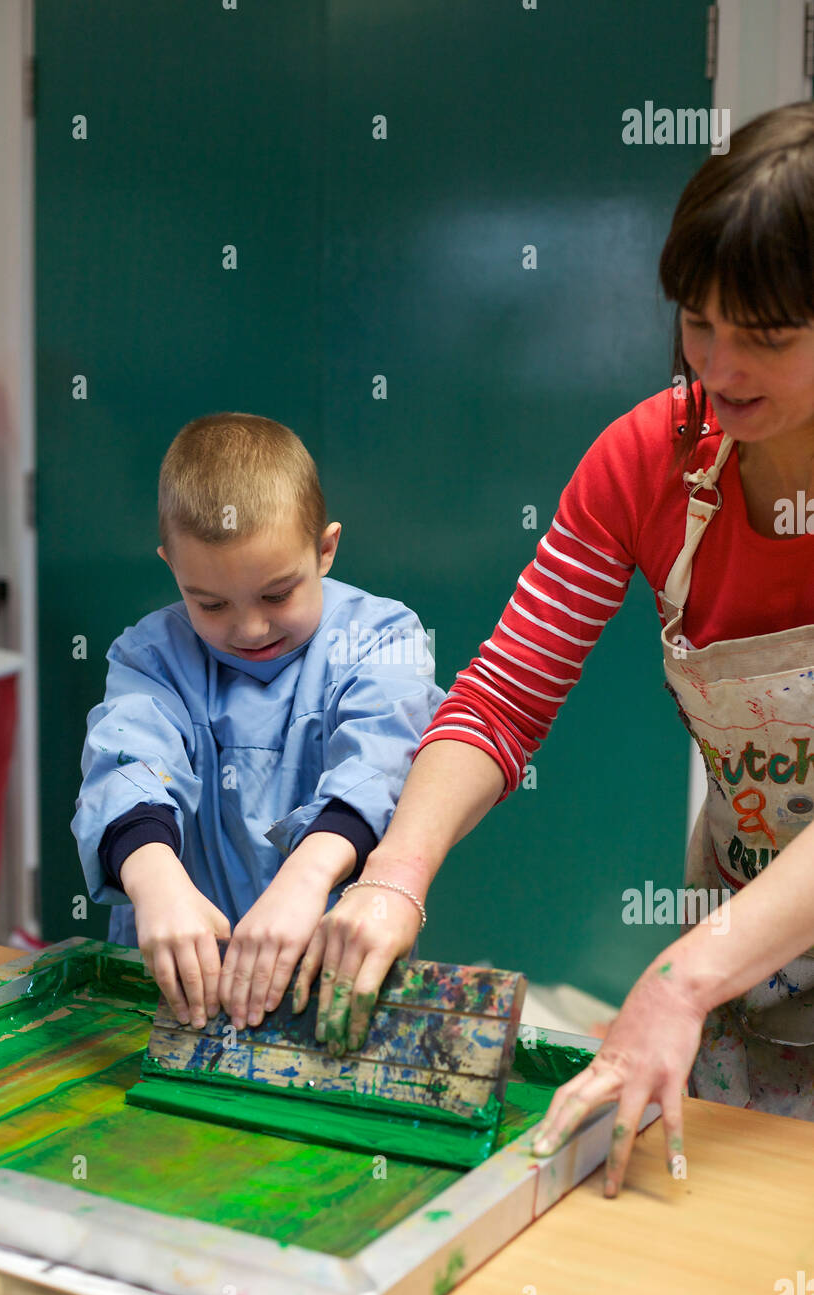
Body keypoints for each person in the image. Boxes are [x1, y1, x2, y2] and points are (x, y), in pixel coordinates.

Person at [296, 101, 814, 1191]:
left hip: (707, 964)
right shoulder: (648, 459)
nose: (715, 368)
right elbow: (502, 697)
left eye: (762, 337)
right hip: (746, 964)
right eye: (695, 323)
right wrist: (394, 874)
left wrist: (674, 981)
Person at [71, 412, 444, 1031]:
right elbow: (125, 765)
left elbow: (383, 766)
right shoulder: (151, 657)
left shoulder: (382, 639)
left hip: (324, 974)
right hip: (175, 992)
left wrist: (307, 877)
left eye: (277, 595)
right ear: (172, 568)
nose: (248, 629)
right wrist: (155, 879)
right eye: (210, 603)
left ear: (325, 549)